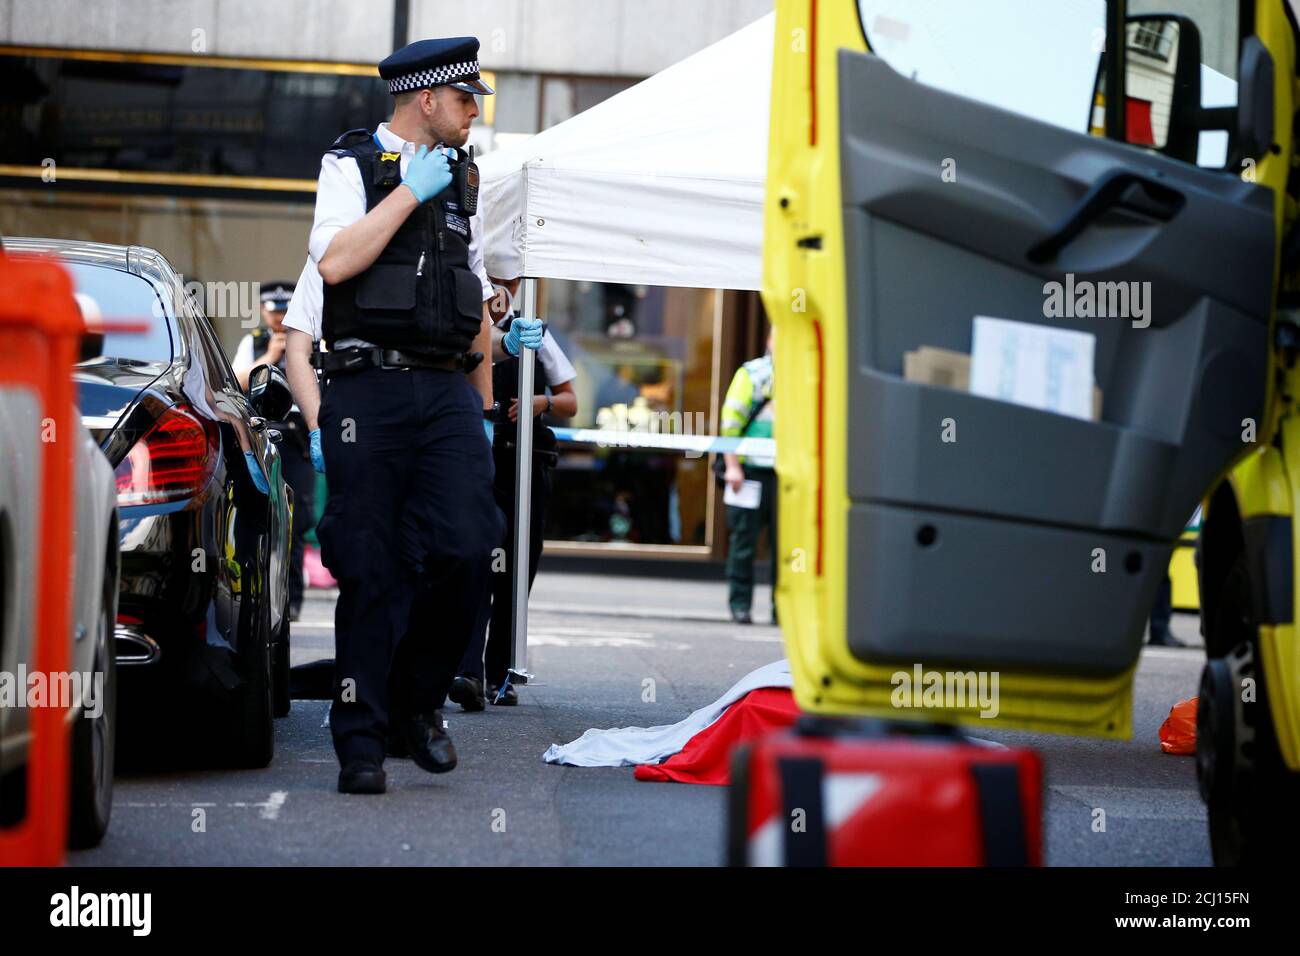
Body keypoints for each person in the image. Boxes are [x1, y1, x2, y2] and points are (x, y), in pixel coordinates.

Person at [281, 36, 541, 796]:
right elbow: (333, 264)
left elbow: (472, 285)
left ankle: (417, 703)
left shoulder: (466, 179)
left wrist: (498, 320)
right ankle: (361, 741)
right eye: (466, 101)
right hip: (367, 390)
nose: (472, 117)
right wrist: (407, 193)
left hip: (444, 393)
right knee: (372, 569)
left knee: (470, 548)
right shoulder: (351, 167)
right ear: (426, 99)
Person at [449, 277, 577, 709]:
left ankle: (501, 672)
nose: (501, 289)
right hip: (478, 461)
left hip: (525, 464)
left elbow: (570, 398)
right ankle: (468, 670)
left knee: (516, 571)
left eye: (508, 282)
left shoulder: (533, 329)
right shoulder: (463, 323)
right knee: (476, 563)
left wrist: (542, 403)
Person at [232, 281, 315, 620]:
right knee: (260, 513)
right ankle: (258, 591)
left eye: (285, 309)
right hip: (263, 433)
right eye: (274, 309)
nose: (279, 316)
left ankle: (292, 599)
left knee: (297, 519)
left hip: (296, 440)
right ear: (264, 310)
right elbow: (236, 380)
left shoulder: (307, 339)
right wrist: (270, 357)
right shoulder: (253, 343)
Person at [721, 332, 776, 625]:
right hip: (751, 470)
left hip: (790, 473)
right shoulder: (752, 373)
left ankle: (783, 610)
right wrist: (733, 466)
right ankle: (740, 604)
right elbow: (730, 423)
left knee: (789, 548)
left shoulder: (810, 374)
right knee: (744, 542)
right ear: (769, 340)